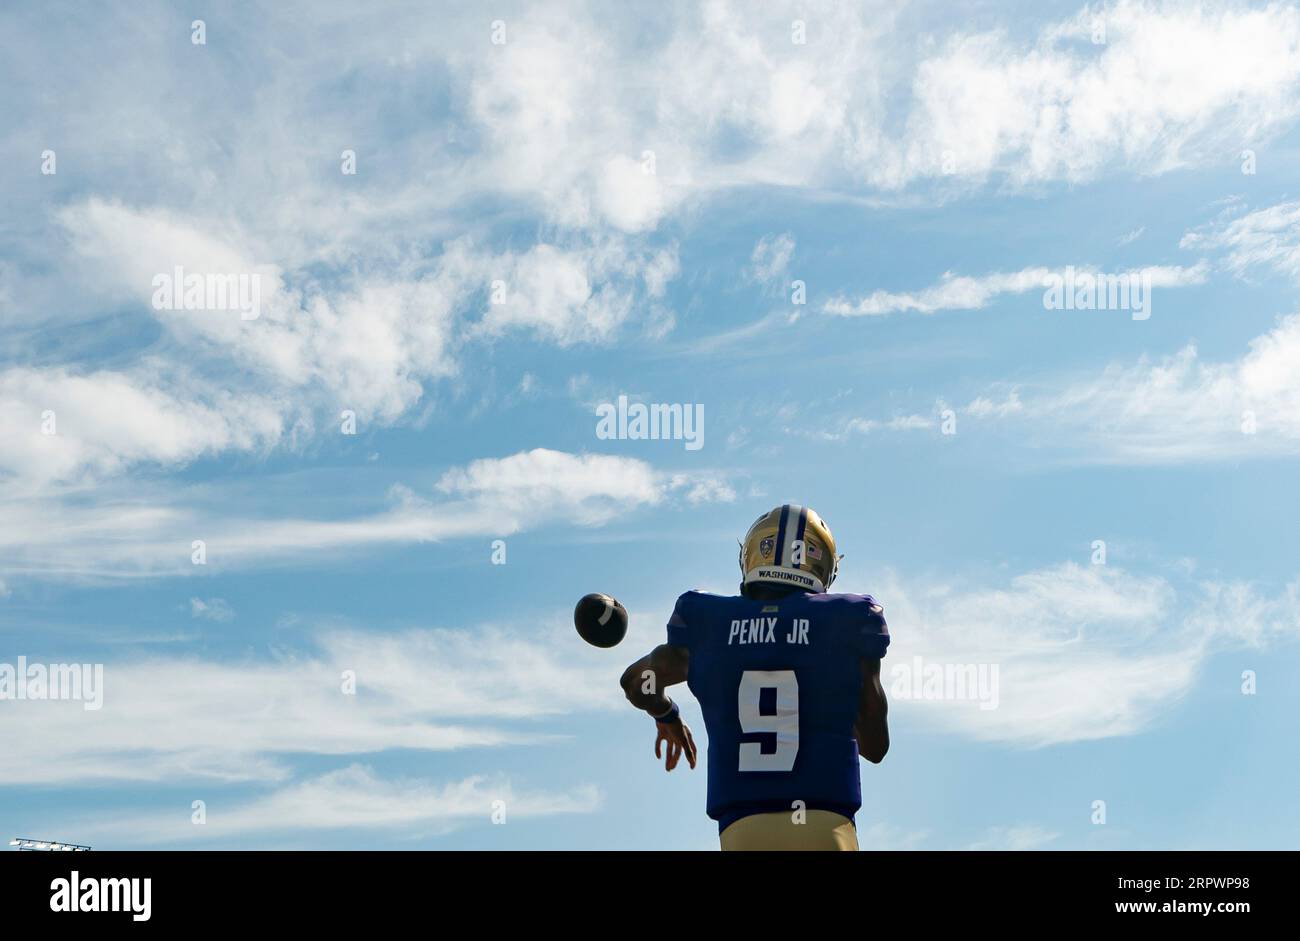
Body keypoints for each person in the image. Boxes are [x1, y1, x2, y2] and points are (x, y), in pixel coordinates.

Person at [620, 504, 890, 850]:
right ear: (823, 566)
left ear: (752, 555)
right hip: (825, 825)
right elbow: (875, 746)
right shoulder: (849, 619)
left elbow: (636, 683)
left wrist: (666, 715)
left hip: (743, 829)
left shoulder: (708, 626)